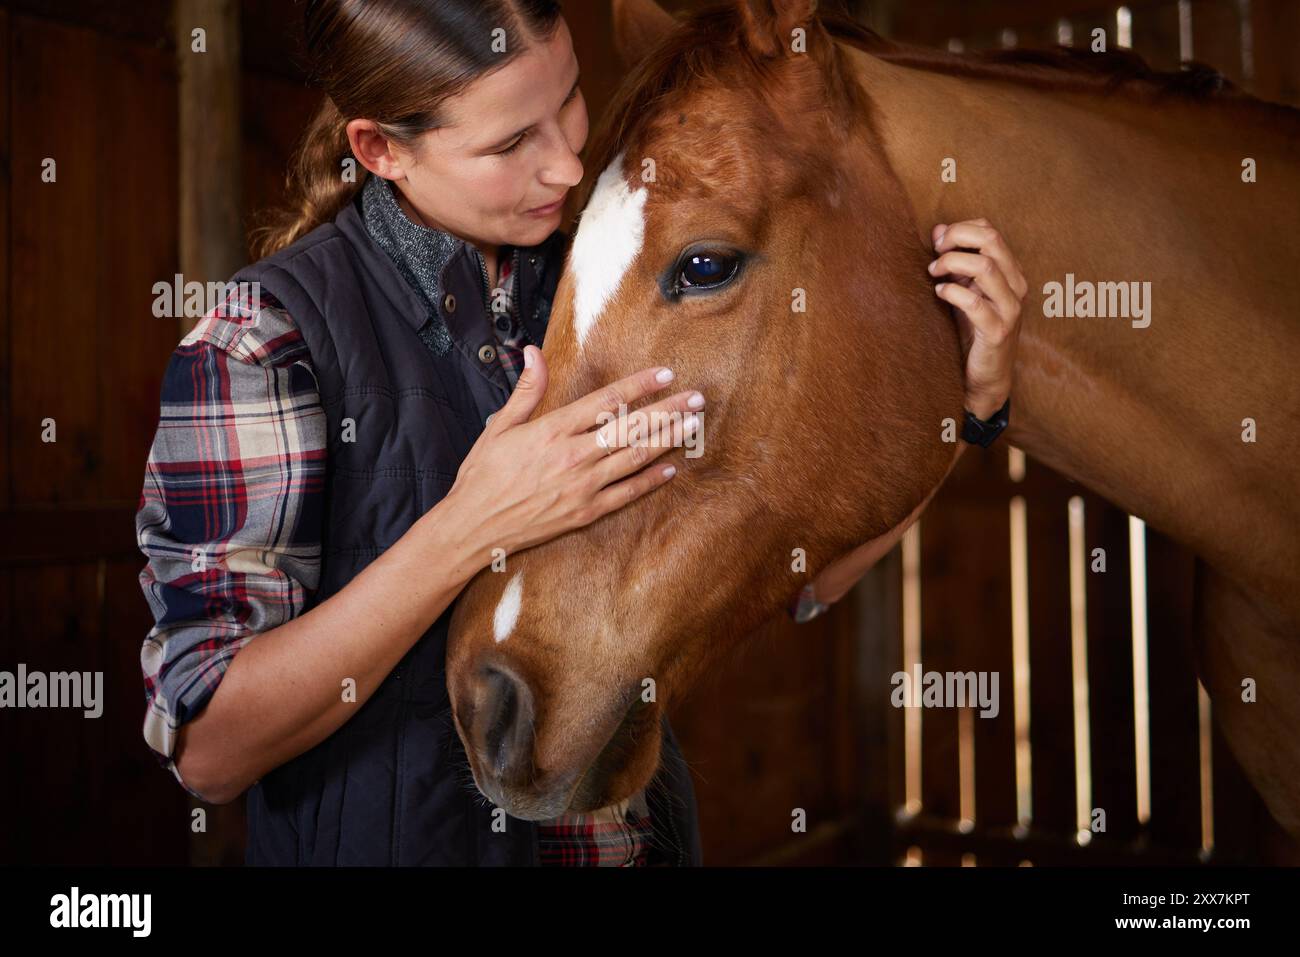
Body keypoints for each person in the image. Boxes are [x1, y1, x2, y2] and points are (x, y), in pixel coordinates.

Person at [135, 0, 1026, 866]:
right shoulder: (263, 340)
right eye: (509, 142)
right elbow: (211, 748)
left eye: (566, 99)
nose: (566, 164)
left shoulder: (604, 274)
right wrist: (469, 525)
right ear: (379, 149)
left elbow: (799, 578)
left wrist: (972, 407)